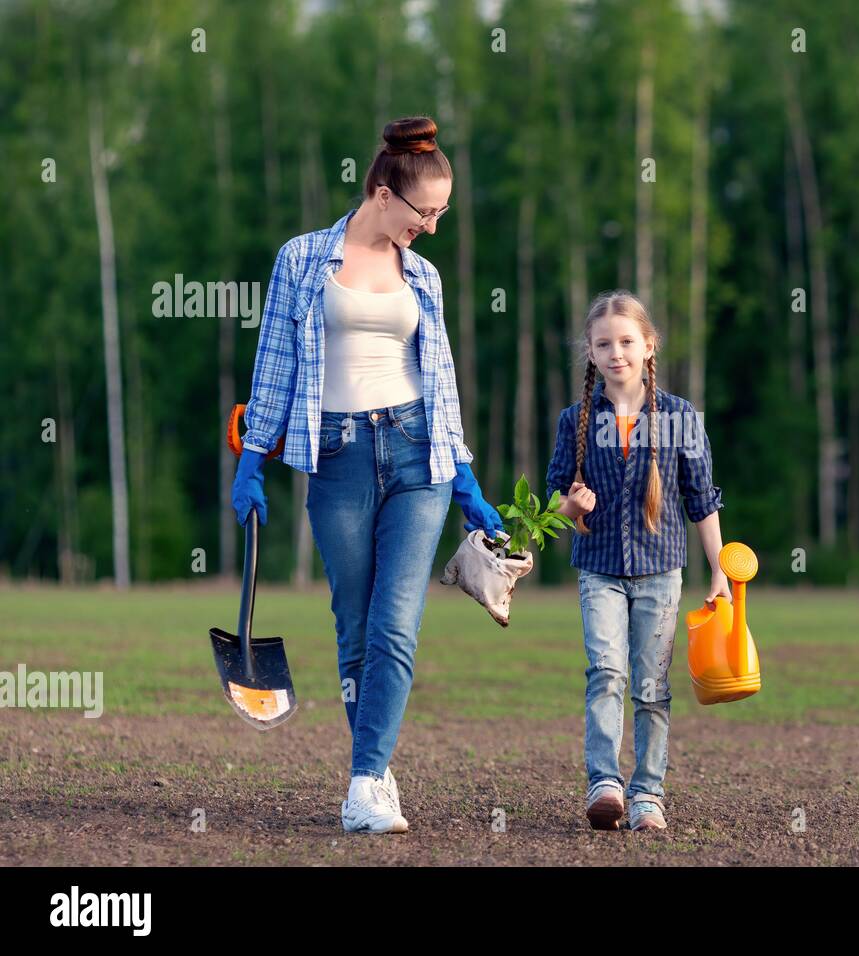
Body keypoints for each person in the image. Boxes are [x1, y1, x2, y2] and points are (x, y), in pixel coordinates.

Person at [230, 115, 503, 834]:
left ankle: (362, 782)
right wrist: (253, 460)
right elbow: (277, 370)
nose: (434, 228)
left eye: (443, 213)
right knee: (352, 625)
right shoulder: (302, 260)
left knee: (394, 625)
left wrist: (465, 479)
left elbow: (439, 378)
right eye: (426, 213)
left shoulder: (425, 276)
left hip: (418, 456)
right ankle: (375, 772)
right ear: (383, 193)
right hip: (338, 459)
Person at [545, 289, 729, 832]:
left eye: (627, 341)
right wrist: (570, 508)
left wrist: (718, 568)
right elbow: (556, 501)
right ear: (591, 352)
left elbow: (702, 499)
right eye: (604, 344)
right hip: (599, 569)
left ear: (649, 346)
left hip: (661, 573)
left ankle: (648, 792)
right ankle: (604, 782)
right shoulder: (575, 419)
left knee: (652, 685)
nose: (616, 352)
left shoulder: (680, 417)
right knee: (605, 672)